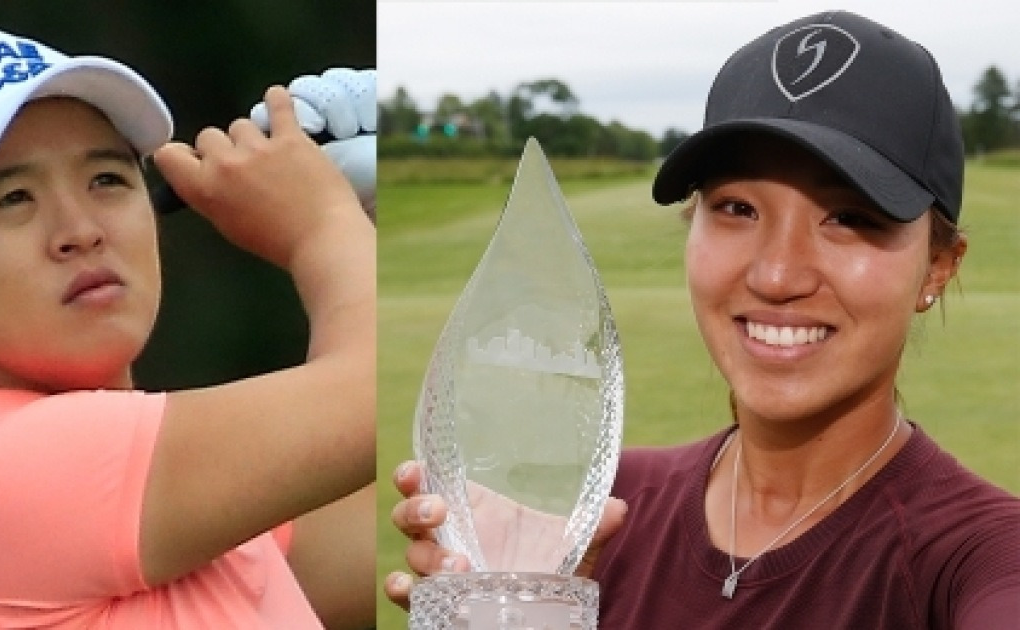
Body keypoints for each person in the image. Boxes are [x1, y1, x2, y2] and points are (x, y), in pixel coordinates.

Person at [386, 10, 1020, 628]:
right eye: (738, 208)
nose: (776, 276)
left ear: (938, 266)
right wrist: (525, 612)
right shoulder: (605, 511)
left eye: (849, 217)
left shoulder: (981, 558)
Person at [0, 28, 375, 629]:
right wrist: (324, 223)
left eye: (106, 179)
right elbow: (368, 399)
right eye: (14, 198)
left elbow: (446, 527)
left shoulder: (197, 526)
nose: (81, 229)